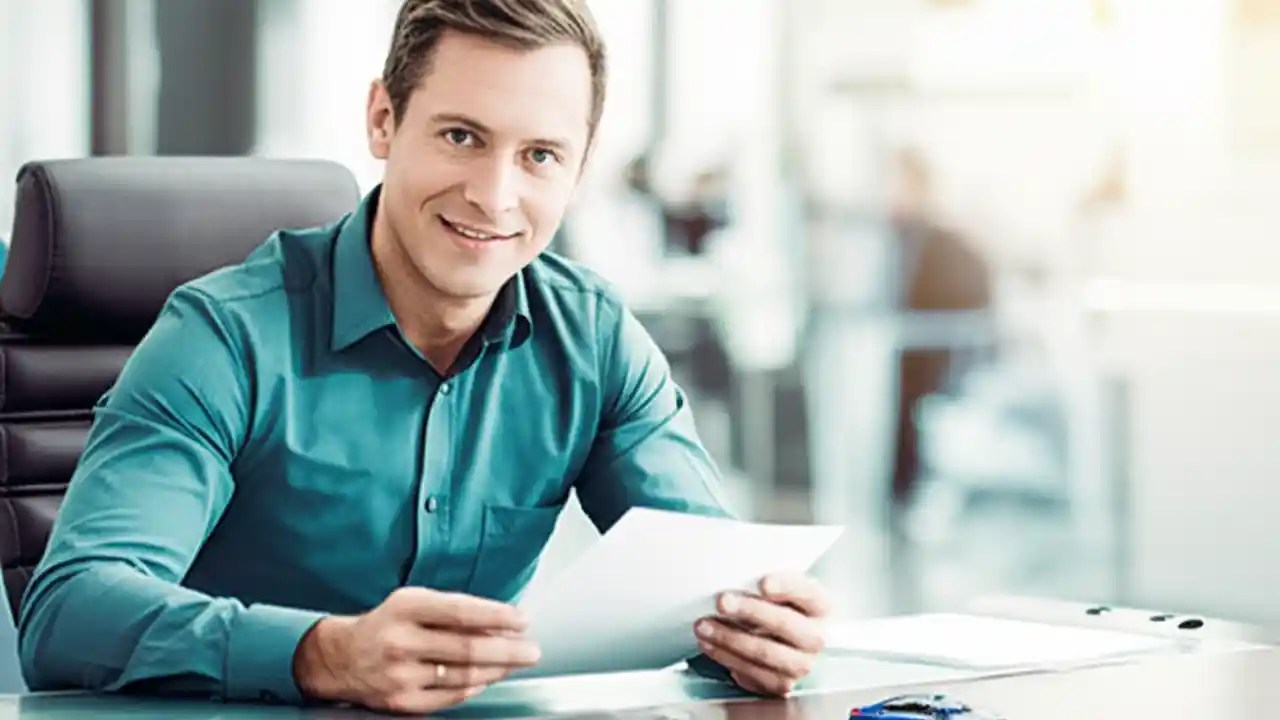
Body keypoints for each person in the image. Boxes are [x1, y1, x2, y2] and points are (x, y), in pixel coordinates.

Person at [17, 0, 831, 714]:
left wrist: (756, 633)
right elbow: (69, 610)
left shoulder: (594, 338)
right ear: (382, 120)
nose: (494, 194)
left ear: (579, 166)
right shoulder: (223, 335)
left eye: (540, 155)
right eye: (461, 136)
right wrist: (323, 654)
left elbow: (706, 576)